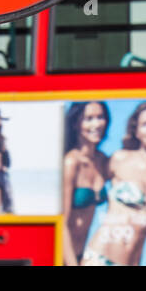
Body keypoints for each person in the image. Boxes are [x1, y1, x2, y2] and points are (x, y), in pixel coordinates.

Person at [82, 100, 146, 267]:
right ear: (137, 132)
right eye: (145, 124)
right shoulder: (120, 159)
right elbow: (89, 183)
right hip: (99, 258)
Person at [62, 101, 110, 266]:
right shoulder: (71, 162)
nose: (96, 124)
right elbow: (62, 222)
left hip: (85, 255)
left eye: (100, 117)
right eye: (88, 118)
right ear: (76, 123)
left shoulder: (102, 161)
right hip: (63, 257)